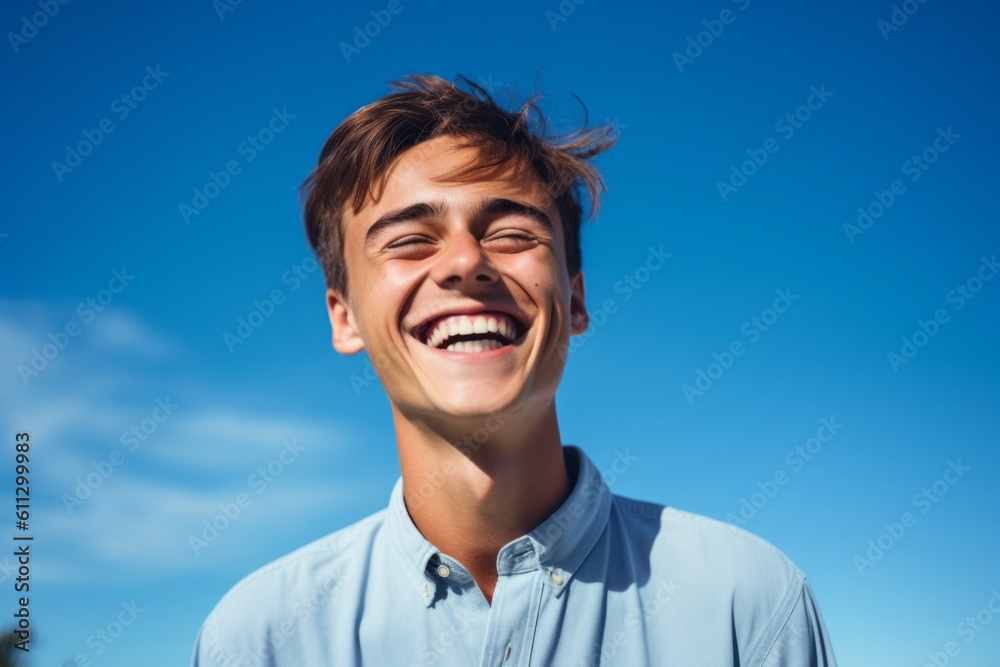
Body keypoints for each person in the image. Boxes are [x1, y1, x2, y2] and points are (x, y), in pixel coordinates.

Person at [191, 73, 837, 666]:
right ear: (345, 317)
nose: (465, 263)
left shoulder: (747, 607)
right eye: (411, 240)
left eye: (512, 233)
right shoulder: (257, 639)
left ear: (576, 299)